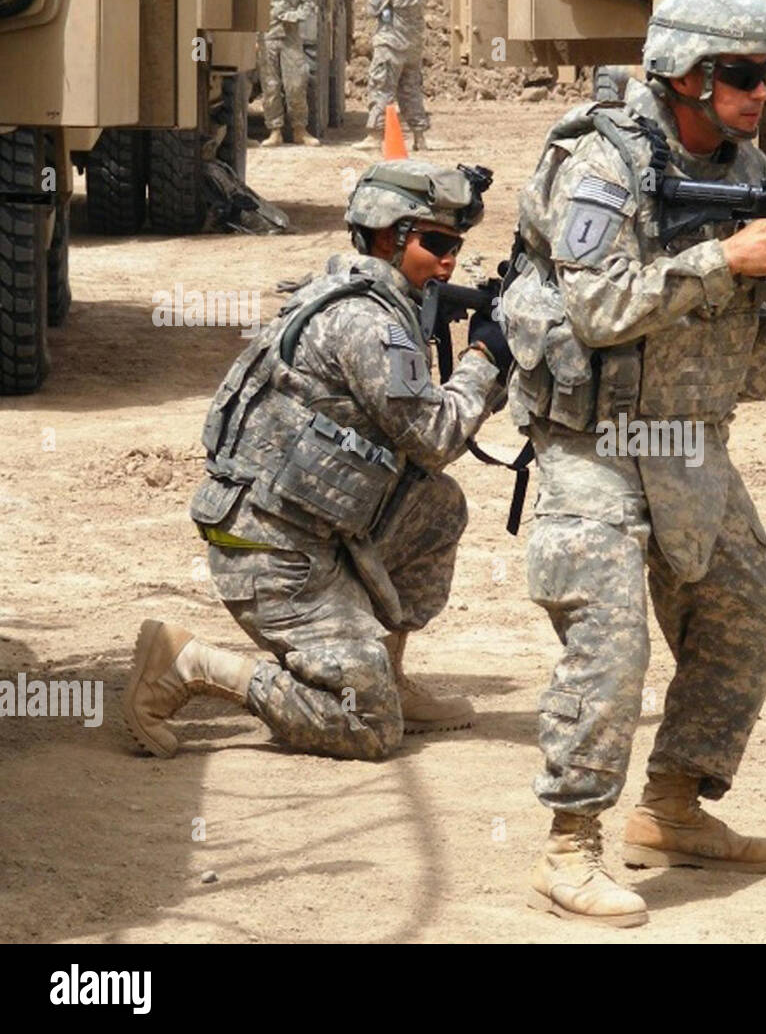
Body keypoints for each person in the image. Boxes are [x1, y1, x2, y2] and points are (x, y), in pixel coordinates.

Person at [503, 0, 766, 927]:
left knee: (746, 613)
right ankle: (568, 847)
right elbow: (595, 309)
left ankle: (672, 808)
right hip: (593, 442)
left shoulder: (750, 165)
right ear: (683, 75)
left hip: (687, 440)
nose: (762, 93)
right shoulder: (599, 165)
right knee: (612, 643)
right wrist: (725, 260)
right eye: (742, 75)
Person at [124, 161, 514, 761]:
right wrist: (486, 356)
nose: (449, 262)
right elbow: (435, 435)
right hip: (273, 557)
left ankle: (383, 670)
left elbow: (418, 456)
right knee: (367, 727)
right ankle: (194, 664)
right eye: (436, 243)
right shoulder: (367, 322)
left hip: (306, 533)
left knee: (435, 504)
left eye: (455, 246)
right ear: (389, 236)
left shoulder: (364, 297)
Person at [353, 0, 429, 151]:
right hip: (412, 46)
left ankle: (375, 135)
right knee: (411, 91)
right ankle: (419, 136)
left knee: (381, 88)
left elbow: (372, 5)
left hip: (391, 44)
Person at [260, 0, 320, 148]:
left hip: (290, 38)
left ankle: (299, 130)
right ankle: (275, 131)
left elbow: (309, 5)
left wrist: (293, 16)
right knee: (270, 86)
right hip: (267, 38)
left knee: (296, 84)